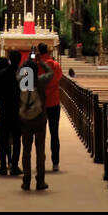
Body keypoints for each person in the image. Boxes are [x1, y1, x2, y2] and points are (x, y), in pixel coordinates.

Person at [18, 48, 52, 191]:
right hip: (39, 118)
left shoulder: (21, 81)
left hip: (25, 119)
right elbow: (51, 73)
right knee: (40, 150)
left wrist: (27, 62)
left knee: (26, 150)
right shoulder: (41, 81)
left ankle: (26, 181)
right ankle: (40, 181)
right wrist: (40, 62)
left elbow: (19, 72)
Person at [35, 42, 63, 172]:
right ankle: (55, 162)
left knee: (39, 134)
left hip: (40, 103)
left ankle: (40, 161)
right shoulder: (55, 65)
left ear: (39, 52)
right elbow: (58, 79)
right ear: (48, 50)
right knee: (54, 133)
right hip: (53, 102)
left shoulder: (36, 66)